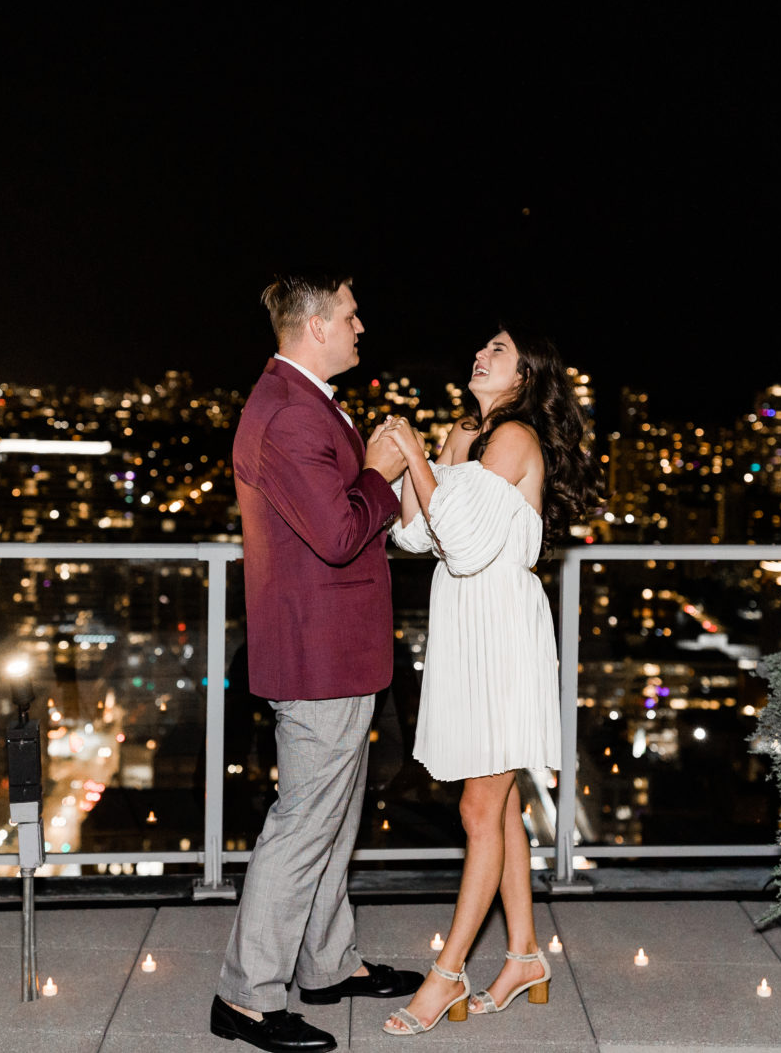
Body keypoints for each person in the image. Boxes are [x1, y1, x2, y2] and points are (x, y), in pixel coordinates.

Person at [211, 274, 423, 1053]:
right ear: (313, 327)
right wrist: (381, 471)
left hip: (335, 647)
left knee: (331, 820)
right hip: (318, 652)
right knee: (303, 825)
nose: (361, 325)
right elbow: (338, 534)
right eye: (349, 315)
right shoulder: (291, 415)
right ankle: (246, 996)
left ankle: (328, 964)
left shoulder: (305, 401)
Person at [376, 326, 596, 1036]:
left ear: (527, 374)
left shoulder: (514, 440)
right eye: (481, 347)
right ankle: (526, 954)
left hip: (499, 624)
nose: (481, 354)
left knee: (478, 809)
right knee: (497, 809)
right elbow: (417, 536)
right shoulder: (464, 434)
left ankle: (448, 974)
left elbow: (467, 546)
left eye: (499, 351)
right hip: (464, 623)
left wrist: (416, 453)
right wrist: (421, 461)